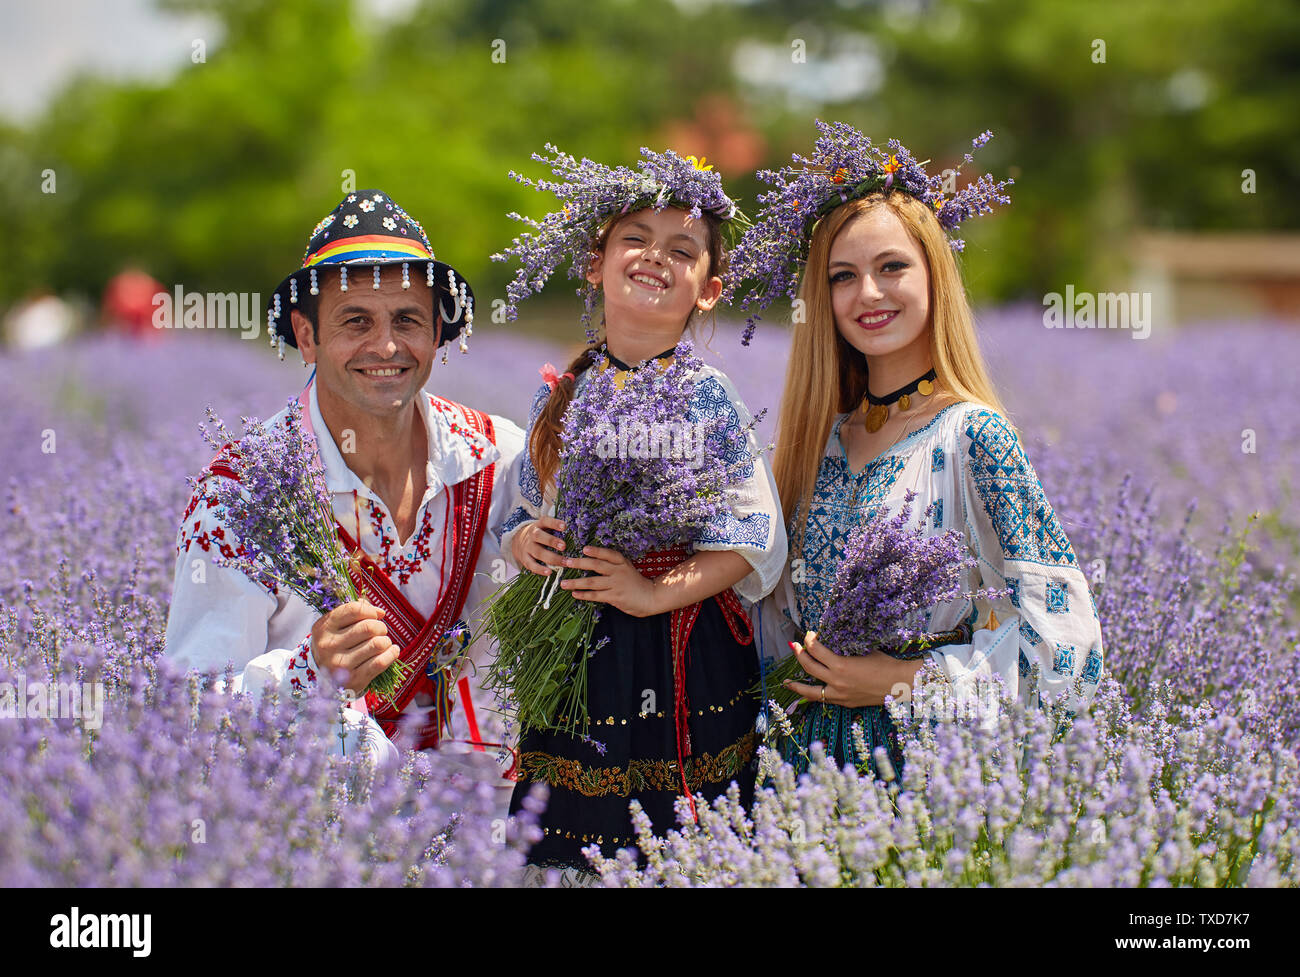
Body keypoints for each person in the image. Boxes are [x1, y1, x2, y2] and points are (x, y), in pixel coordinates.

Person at [728, 123, 1104, 777]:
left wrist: (904, 680)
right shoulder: (809, 446)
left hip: (925, 772)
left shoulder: (973, 437)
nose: (868, 293)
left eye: (892, 266)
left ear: (934, 275)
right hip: (793, 770)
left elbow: (1066, 643)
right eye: (844, 276)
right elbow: (756, 619)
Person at [164, 189, 525, 814]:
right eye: (356, 320)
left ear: (438, 332)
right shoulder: (240, 497)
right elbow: (192, 708)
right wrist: (306, 674)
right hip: (326, 834)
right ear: (306, 336)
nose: (386, 347)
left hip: (498, 820)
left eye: (408, 319)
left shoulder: (500, 457)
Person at [492, 148, 786, 882]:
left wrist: (653, 590)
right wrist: (528, 539)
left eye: (682, 250)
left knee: (674, 835)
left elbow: (755, 537)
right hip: (578, 641)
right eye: (635, 239)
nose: (655, 257)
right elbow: (522, 504)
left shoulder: (706, 394)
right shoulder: (565, 386)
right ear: (596, 261)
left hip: (678, 646)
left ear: (709, 290)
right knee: (570, 831)